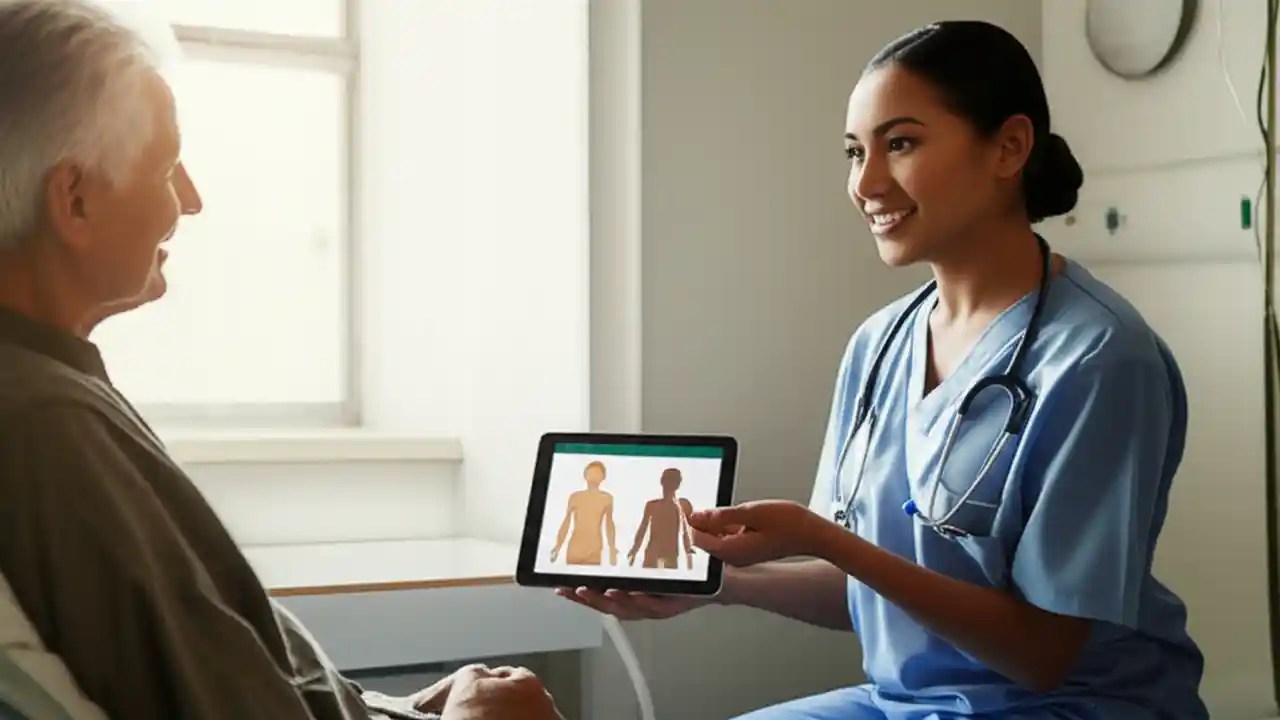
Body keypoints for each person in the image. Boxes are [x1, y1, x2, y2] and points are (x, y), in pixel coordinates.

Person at [559, 20, 1209, 719]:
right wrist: (720, 585)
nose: (865, 182)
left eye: (900, 144)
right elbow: (866, 590)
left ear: (1010, 146)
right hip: (904, 702)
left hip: (1072, 707)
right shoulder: (879, 345)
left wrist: (825, 540)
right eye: (852, 152)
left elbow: (1043, 653)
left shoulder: (1098, 358)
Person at [0, 1, 563, 718]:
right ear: (73, 200)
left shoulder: (53, 389)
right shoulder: (46, 428)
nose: (193, 201)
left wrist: (398, 710)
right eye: (168, 166)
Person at [550, 460, 619, 565]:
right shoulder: (575, 497)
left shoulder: (607, 498)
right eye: (591, 473)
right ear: (585, 475)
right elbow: (566, 522)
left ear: (603, 478)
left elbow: (609, 524)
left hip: (594, 549)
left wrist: (612, 548)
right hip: (575, 548)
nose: (594, 476)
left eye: (597, 473)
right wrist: (558, 546)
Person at [626, 468, 695, 570]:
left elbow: (685, 531)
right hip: (655, 553)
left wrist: (688, 552)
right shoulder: (652, 505)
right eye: (668, 480)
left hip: (669, 554)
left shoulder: (681, 506)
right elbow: (642, 528)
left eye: (672, 481)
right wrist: (634, 549)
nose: (669, 485)